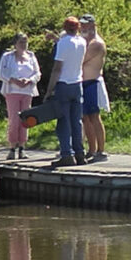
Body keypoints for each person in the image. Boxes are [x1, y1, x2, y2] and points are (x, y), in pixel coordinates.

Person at [49, 16, 87, 167]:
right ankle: (80, 153)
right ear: (78, 28)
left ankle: (66, 154)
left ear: (64, 27)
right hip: (77, 83)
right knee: (76, 121)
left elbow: (57, 68)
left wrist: (49, 89)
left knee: (63, 121)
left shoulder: (63, 43)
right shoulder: (82, 42)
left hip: (64, 84)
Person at [0, 32, 40, 160]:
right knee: (14, 119)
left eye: (25, 42)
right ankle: (12, 147)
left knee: (25, 119)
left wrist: (29, 80)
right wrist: (13, 80)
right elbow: (2, 73)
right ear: (15, 44)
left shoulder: (31, 56)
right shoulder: (7, 56)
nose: (23, 45)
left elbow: (37, 73)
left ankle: (22, 147)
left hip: (27, 91)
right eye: (21, 42)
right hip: (12, 91)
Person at [78, 15, 108, 162]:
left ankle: (101, 151)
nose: (82, 28)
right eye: (81, 25)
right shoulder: (84, 42)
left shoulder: (96, 44)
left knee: (94, 117)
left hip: (92, 83)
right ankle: (91, 149)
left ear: (93, 25)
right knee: (85, 118)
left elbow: (80, 60)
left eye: (86, 25)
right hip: (82, 83)